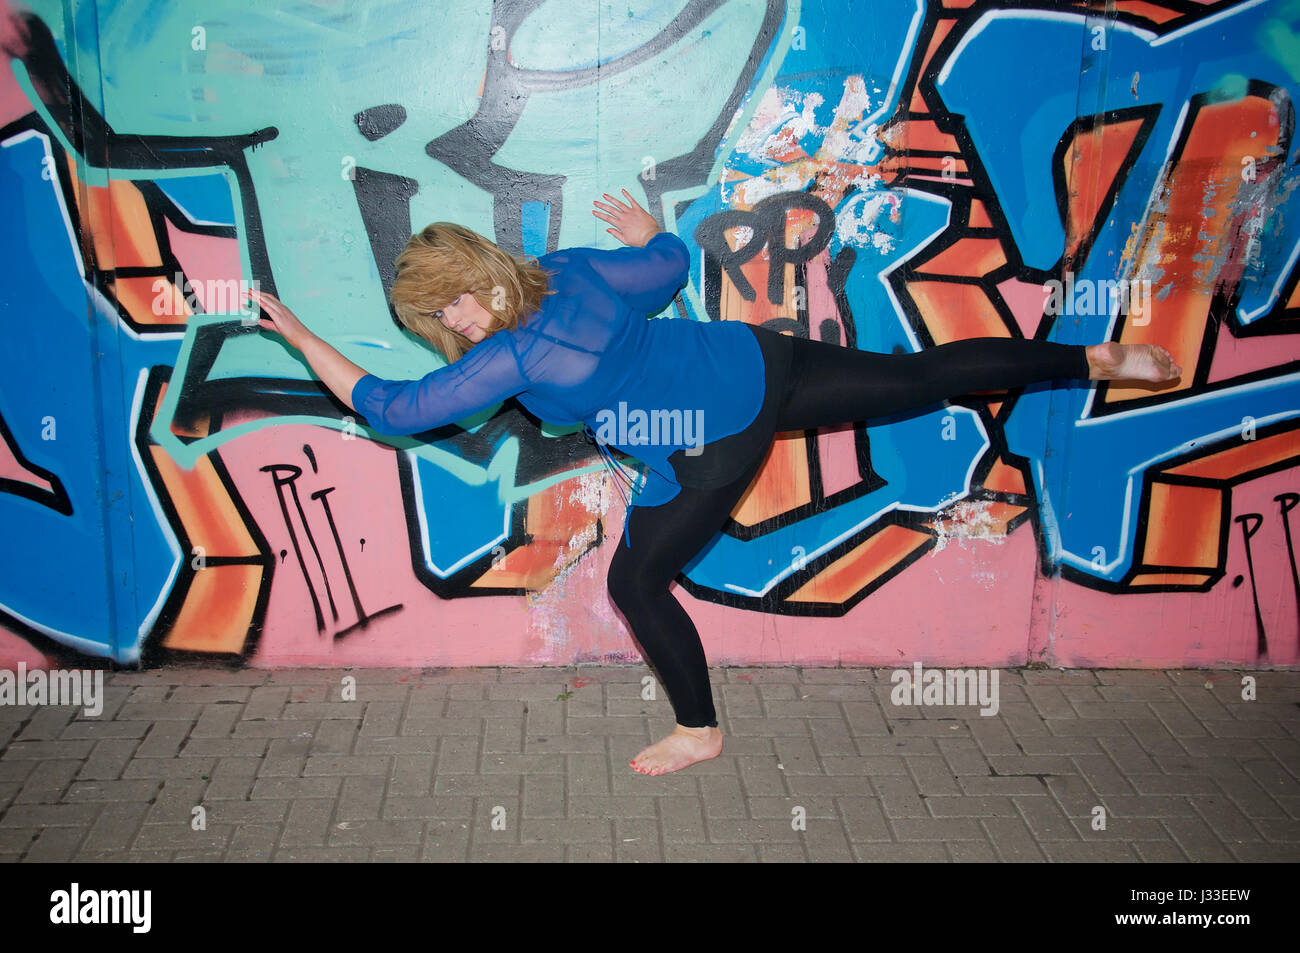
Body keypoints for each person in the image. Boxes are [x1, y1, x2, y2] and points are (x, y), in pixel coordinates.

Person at [250, 188, 1181, 777]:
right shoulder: (566, 274)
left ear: (472, 286)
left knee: (634, 583)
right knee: (912, 378)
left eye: (443, 303)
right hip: (753, 364)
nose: (443, 320)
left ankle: (699, 729)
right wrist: (652, 229)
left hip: (710, 442)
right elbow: (668, 267)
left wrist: (296, 335)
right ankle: (1095, 357)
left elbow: (392, 405)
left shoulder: (506, 355)